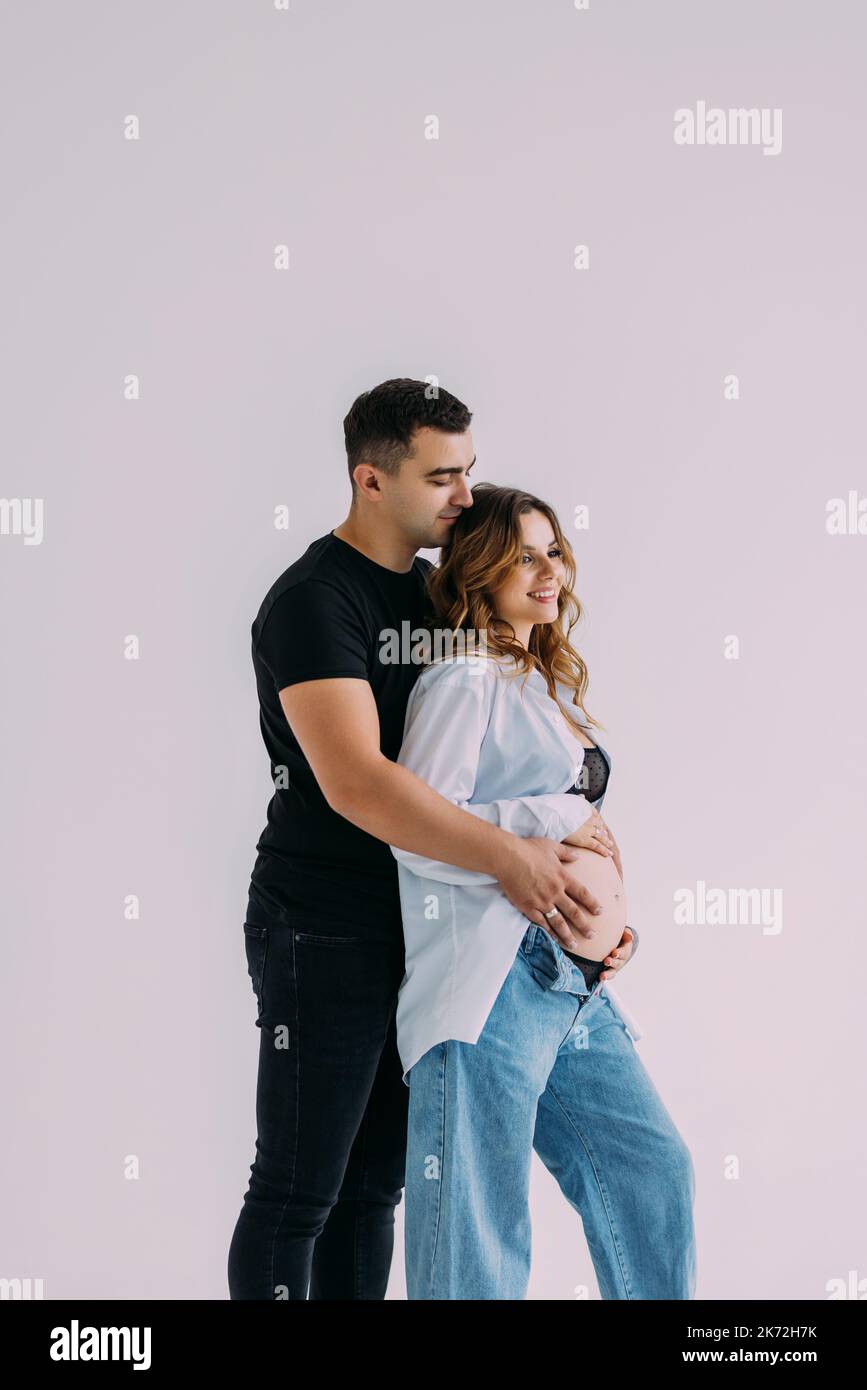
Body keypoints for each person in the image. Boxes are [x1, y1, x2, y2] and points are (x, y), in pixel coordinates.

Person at [227, 379, 615, 1300]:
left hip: (427, 927)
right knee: (297, 1190)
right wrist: (513, 859)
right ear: (371, 480)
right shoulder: (314, 601)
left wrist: (589, 910)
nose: (466, 498)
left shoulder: (443, 597)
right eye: (443, 477)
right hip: (320, 924)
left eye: (469, 471)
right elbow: (358, 784)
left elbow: (515, 766)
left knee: (374, 1190)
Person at [391, 482, 697, 1300]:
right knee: (477, 1234)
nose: (545, 569)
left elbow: (566, 837)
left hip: (573, 986)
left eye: (552, 550)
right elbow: (417, 824)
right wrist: (550, 814)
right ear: (479, 568)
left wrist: (605, 927)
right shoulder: (461, 679)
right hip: (493, 985)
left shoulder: (535, 683)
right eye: (521, 554)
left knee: (650, 1172)